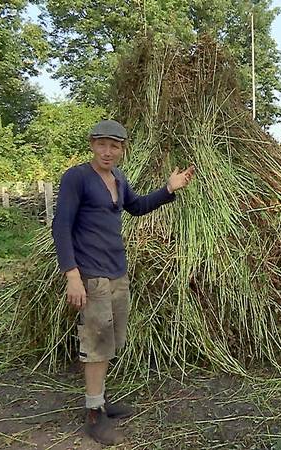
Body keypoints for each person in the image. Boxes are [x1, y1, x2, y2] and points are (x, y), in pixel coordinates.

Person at [51, 119, 194, 445]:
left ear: (122, 150)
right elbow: (61, 227)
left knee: (111, 341)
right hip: (92, 275)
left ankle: (99, 400)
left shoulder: (118, 177)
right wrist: (72, 275)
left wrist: (169, 189)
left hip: (117, 272)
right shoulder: (77, 177)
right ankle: (93, 414)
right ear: (91, 144)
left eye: (114, 146)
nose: (107, 151)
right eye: (101, 144)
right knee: (97, 344)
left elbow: (137, 207)